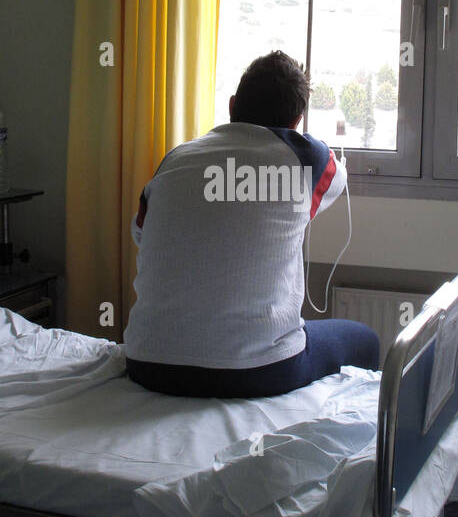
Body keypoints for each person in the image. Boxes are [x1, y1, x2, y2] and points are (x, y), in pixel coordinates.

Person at [124, 51, 379, 398]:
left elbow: (141, 233)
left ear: (231, 106)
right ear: (297, 121)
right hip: (255, 371)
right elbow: (337, 180)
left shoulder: (175, 159)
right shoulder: (307, 159)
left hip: (147, 364)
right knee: (366, 340)